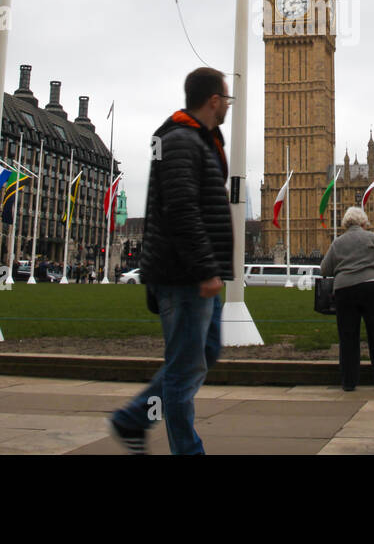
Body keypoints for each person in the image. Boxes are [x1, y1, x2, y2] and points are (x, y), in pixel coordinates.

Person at [109, 67, 233, 455]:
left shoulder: (200, 139)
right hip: (185, 275)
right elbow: (181, 210)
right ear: (213, 100)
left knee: (204, 354)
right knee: (184, 370)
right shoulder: (181, 139)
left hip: (194, 273)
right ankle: (181, 447)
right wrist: (205, 268)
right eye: (227, 97)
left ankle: (134, 418)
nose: (229, 104)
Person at [321, 206, 374, 392]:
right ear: (364, 223)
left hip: (345, 290)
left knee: (348, 337)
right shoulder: (372, 237)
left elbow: (324, 269)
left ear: (345, 223)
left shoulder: (337, 242)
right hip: (372, 287)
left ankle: (349, 382)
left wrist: (343, 266)